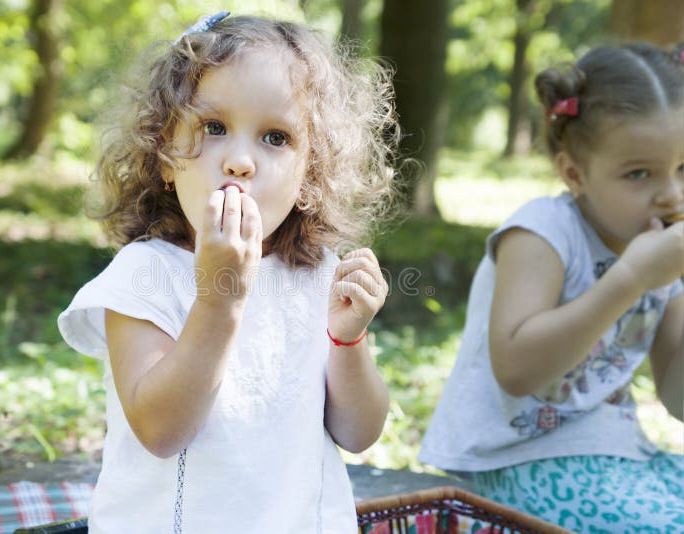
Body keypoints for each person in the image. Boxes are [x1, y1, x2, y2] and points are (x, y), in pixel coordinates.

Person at [58, 12, 399, 533]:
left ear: (311, 173)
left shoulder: (316, 274)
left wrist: (347, 341)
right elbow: (161, 428)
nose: (240, 160)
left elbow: (359, 433)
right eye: (214, 128)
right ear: (166, 156)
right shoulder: (144, 275)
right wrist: (219, 300)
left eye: (275, 137)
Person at [419, 42, 684, 532]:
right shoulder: (542, 233)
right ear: (574, 173)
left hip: (617, 452)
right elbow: (516, 370)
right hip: (515, 460)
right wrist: (630, 280)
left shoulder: (661, 251)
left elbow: (676, 395)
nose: (671, 193)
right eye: (639, 173)